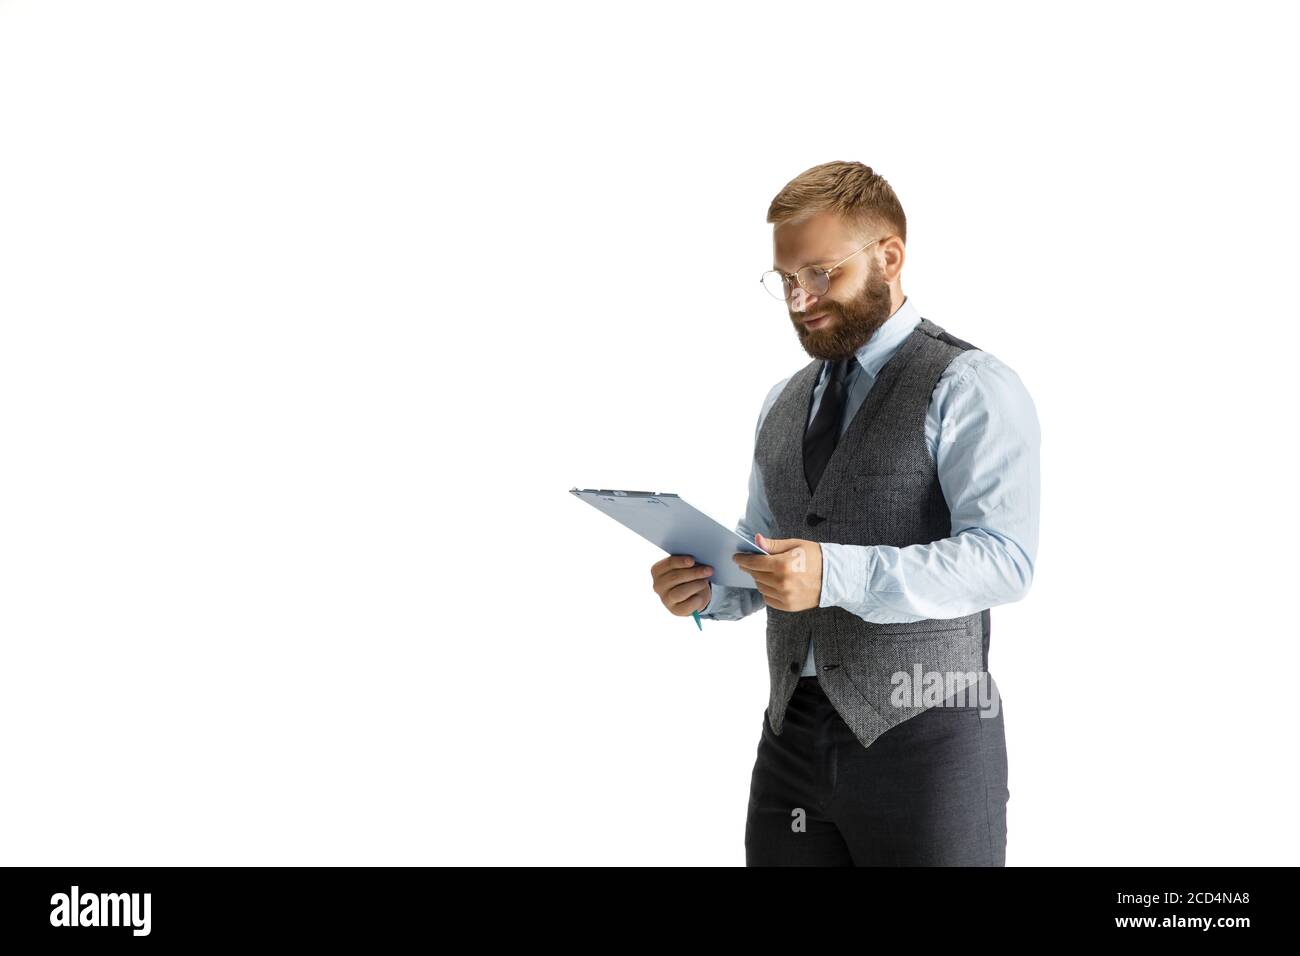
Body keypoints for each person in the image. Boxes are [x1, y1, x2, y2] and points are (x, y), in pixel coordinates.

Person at [650, 161, 1040, 866]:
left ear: (889, 256)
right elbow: (765, 553)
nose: (800, 299)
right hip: (790, 738)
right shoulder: (782, 399)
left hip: (928, 736)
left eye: (821, 273)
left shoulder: (970, 384)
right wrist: (711, 588)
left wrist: (834, 573)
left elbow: (1004, 560)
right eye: (786, 280)